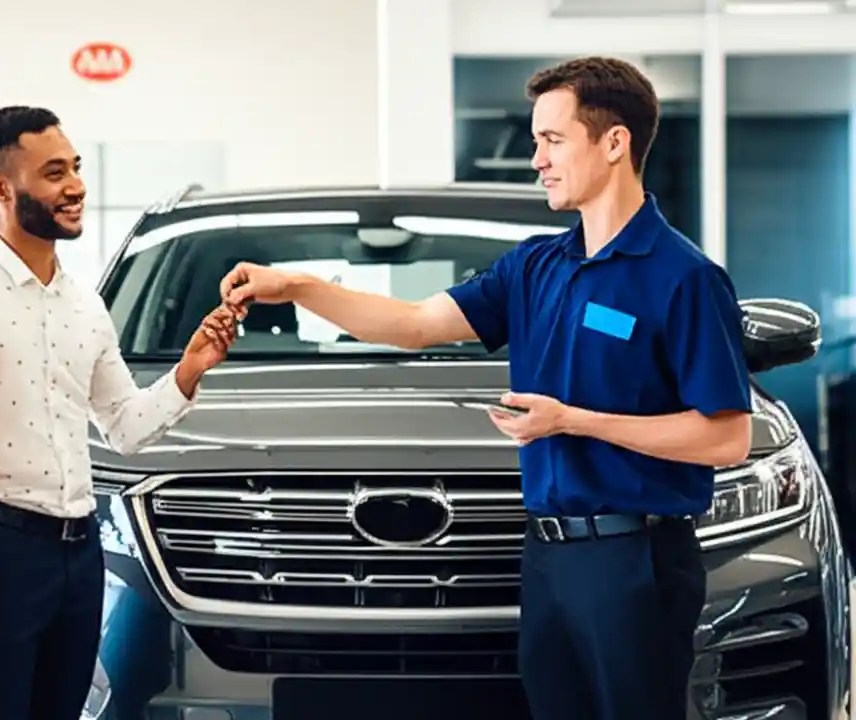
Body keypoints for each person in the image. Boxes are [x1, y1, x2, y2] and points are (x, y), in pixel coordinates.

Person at [219, 56, 752, 720]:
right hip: (549, 558)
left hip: (636, 558)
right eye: (536, 142)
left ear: (615, 142)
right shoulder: (534, 267)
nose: (537, 160)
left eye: (552, 140)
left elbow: (727, 438)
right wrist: (298, 286)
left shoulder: (684, 277)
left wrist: (575, 421)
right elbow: (414, 324)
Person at [0, 105, 238, 720]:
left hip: (79, 551)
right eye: (53, 174)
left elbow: (124, 426)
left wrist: (189, 370)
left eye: (74, 168)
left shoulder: (86, 307)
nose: (75, 186)